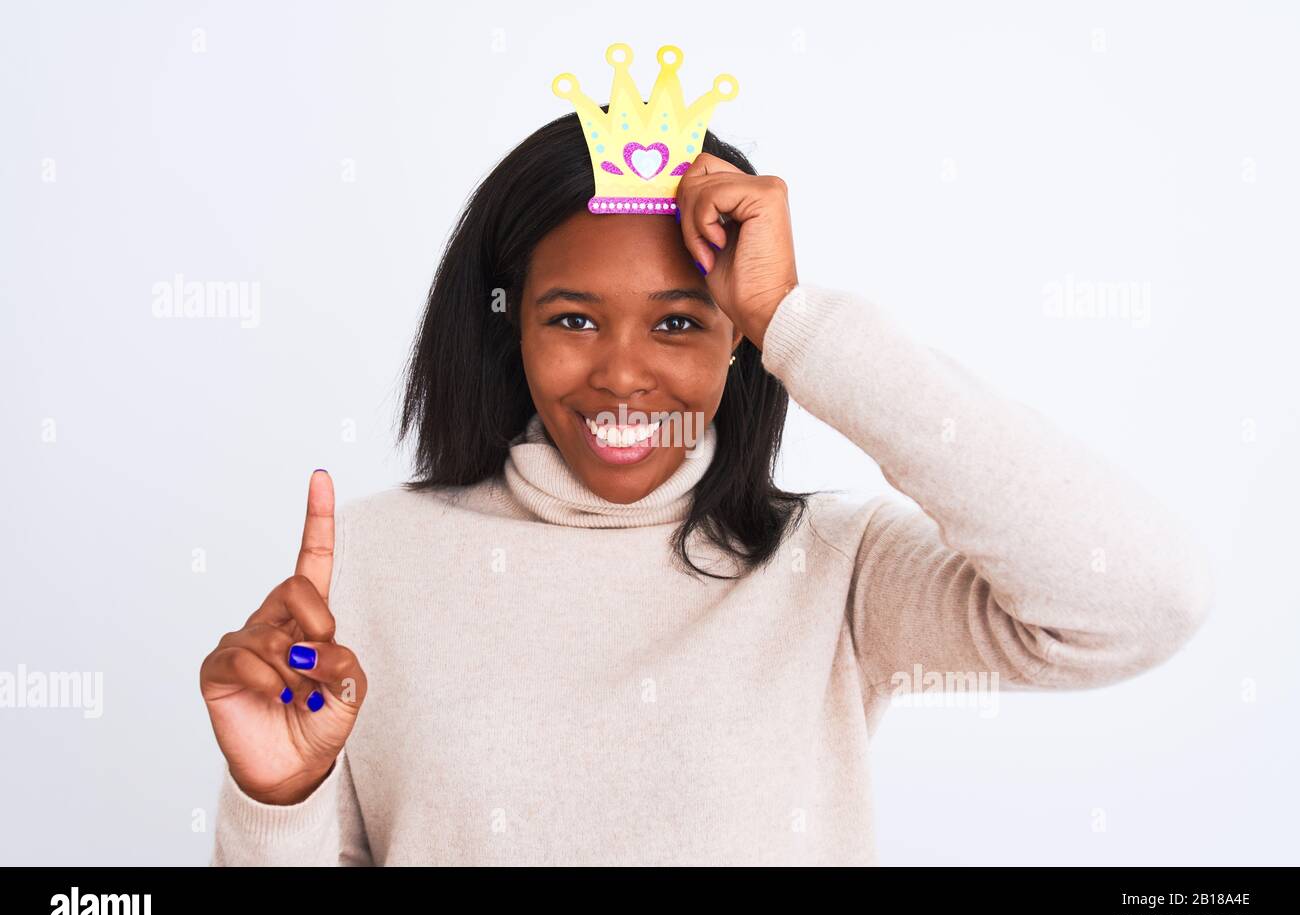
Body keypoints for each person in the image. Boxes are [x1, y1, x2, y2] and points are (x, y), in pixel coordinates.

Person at [200, 112, 1214, 866]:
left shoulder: (837, 570)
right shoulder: (370, 569)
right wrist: (278, 797)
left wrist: (796, 320)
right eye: (573, 318)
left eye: (680, 321)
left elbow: (1138, 598)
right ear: (509, 330)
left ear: (738, 345)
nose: (625, 373)